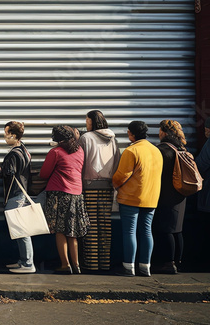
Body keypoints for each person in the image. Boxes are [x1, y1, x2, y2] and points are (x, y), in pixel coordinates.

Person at [112, 121, 163, 277]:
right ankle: (145, 266)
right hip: (151, 199)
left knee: (129, 232)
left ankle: (129, 267)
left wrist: (114, 184)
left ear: (130, 133)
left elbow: (121, 176)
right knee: (147, 232)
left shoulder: (131, 151)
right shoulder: (156, 151)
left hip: (131, 199)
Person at [39, 125, 89, 275]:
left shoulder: (55, 152)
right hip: (76, 195)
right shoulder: (80, 151)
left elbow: (44, 174)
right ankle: (76, 265)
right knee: (72, 232)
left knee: (60, 231)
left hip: (59, 195)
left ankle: (65, 264)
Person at [79, 109, 120, 272]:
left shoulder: (86, 138)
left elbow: (80, 162)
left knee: (90, 225)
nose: (86, 122)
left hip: (89, 186)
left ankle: (91, 264)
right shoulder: (112, 139)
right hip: (108, 186)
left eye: (87, 120)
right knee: (105, 225)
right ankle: (104, 262)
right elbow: (117, 160)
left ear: (92, 121)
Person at [0, 121, 35, 273]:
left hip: (15, 194)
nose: (5, 137)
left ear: (14, 135)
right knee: (19, 229)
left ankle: (28, 264)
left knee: (21, 229)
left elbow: (9, 172)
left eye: (6, 133)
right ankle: (23, 260)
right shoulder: (24, 150)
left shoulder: (13, 153)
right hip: (21, 193)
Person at [152, 120, 188, 275]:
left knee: (166, 229)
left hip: (165, 194)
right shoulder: (181, 148)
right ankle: (178, 262)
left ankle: (168, 263)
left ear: (164, 132)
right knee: (177, 229)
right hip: (180, 194)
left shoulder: (162, 150)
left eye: (160, 130)